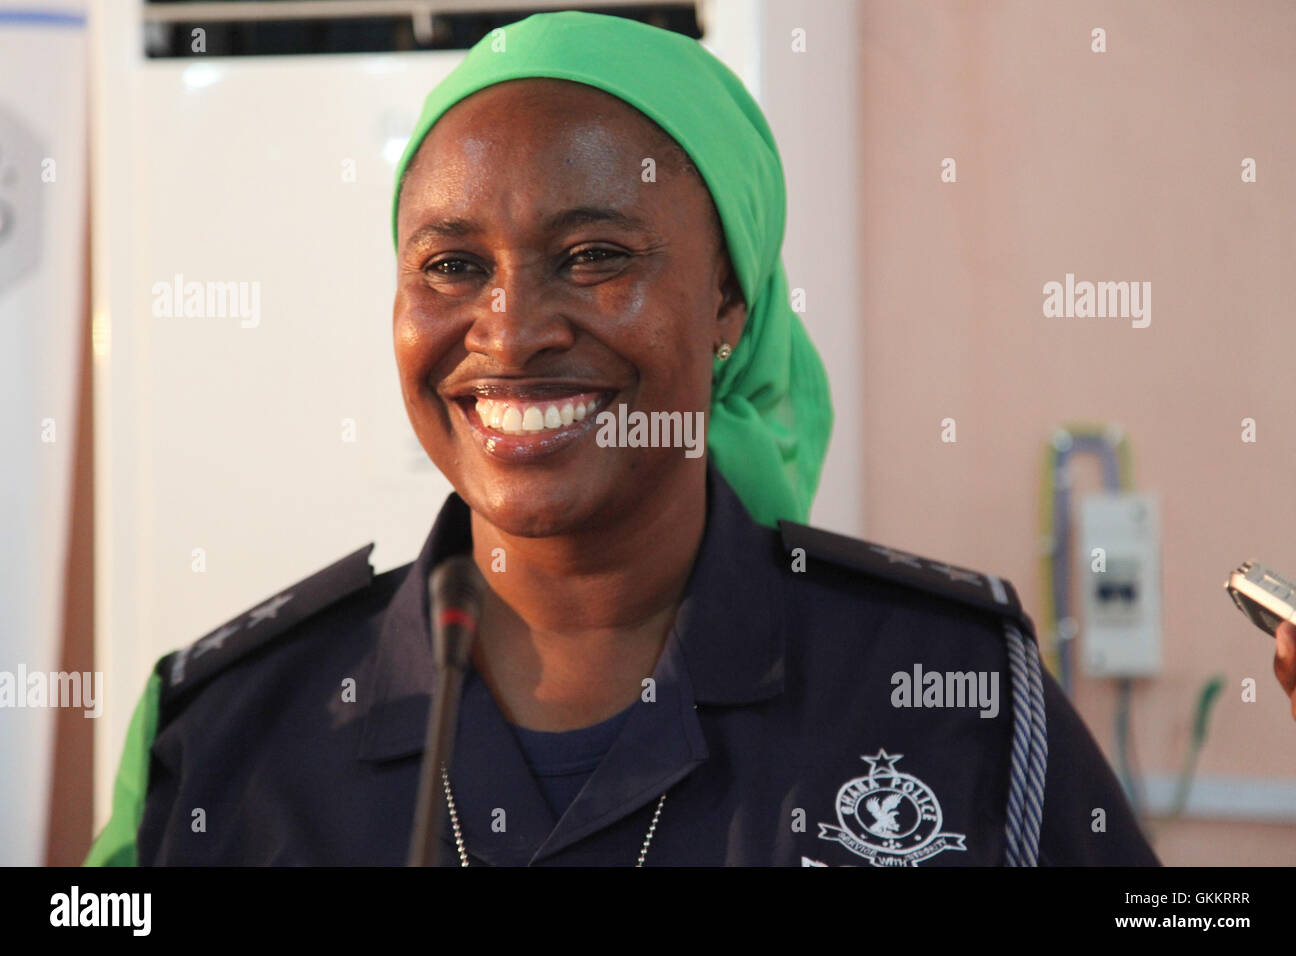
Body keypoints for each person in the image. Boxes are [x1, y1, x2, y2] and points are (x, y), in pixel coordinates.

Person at [86, 10, 1165, 867]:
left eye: (595, 254)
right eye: (453, 265)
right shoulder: (224, 728)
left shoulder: (953, 686)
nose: (509, 329)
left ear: (730, 302)